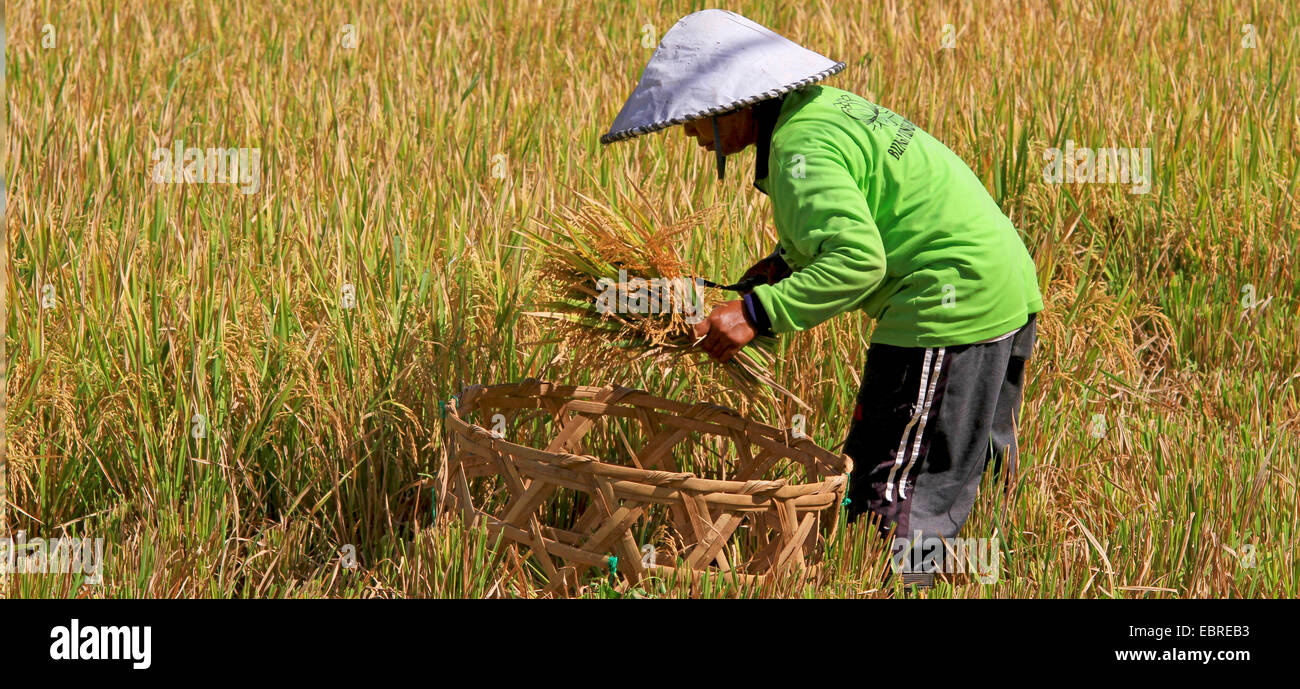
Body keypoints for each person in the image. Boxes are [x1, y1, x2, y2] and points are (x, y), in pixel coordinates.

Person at [600, 10, 1043, 586]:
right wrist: (772, 274)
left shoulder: (794, 150)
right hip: (1002, 287)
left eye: (694, 115)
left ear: (737, 101)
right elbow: (857, 223)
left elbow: (858, 261)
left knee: (891, 495)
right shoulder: (822, 113)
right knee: (964, 475)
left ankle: (892, 588)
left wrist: (756, 314)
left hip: (945, 308)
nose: (688, 132)